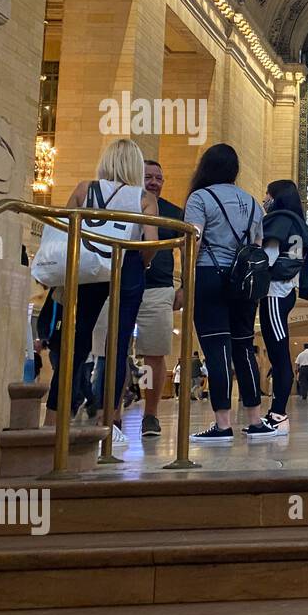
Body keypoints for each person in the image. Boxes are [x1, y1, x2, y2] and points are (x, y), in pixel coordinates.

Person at [44, 139, 158, 449]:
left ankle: (54, 419)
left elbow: (63, 228)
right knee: (118, 344)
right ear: (135, 165)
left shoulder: (84, 189)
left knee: (77, 339)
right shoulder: (144, 199)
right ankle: (108, 423)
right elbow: (151, 245)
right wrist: (138, 265)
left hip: (92, 266)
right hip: (129, 266)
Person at [183, 143, 265, 442]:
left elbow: (193, 240)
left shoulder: (200, 198)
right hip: (244, 282)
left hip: (210, 274)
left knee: (217, 350)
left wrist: (184, 282)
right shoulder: (254, 202)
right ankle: (256, 420)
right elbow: (257, 245)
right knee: (244, 348)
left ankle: (222, 423)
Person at [252, 179, 308, 438]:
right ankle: (274, 414)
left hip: (275, 293)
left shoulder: (279, 220)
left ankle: (278, 415)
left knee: (279, 355)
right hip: (283, 294)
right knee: (277, 353)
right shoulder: (295, 221)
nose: (264, 198)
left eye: (267, 194)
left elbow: (264, 259)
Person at [136, 159, 185, 439]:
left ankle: (150, 415)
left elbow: (191, 248)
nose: (154, 182)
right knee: (113, 352)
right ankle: (112, 415)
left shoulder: (172, 213)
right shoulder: (124, 204)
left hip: (158, 290)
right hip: (122, 287)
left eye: (158, 178)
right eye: (148, 177)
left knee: (153, 354)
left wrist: (185, 287)